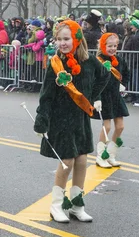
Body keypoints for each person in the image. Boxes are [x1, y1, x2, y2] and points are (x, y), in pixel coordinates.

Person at [33, 20, 109, 223]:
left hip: (81, 117)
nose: (62, 43)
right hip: (61, 118)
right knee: (67, 162)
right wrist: (42, 119)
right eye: (58, 39)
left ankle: (76, 205)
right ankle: (56, 205)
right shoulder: (55, 64)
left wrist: (91, 97)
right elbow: (46, 95)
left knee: (82, 160)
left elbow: (104, 76)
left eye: (66, 39)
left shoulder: (90, 61)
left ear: (76, 39)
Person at [92, 33, 130, 168]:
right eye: (110, 46)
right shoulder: (97, 61)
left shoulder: (119, 60)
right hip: (103, 98)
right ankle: (101, 156)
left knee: (120, 127)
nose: (113, 48)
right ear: (103, 46)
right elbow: (93, 81)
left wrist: (123, 84)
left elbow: (126, 73)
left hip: (115, 96)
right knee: (106, 127)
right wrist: (96, 98)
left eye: (115, 46)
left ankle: (111, 154)